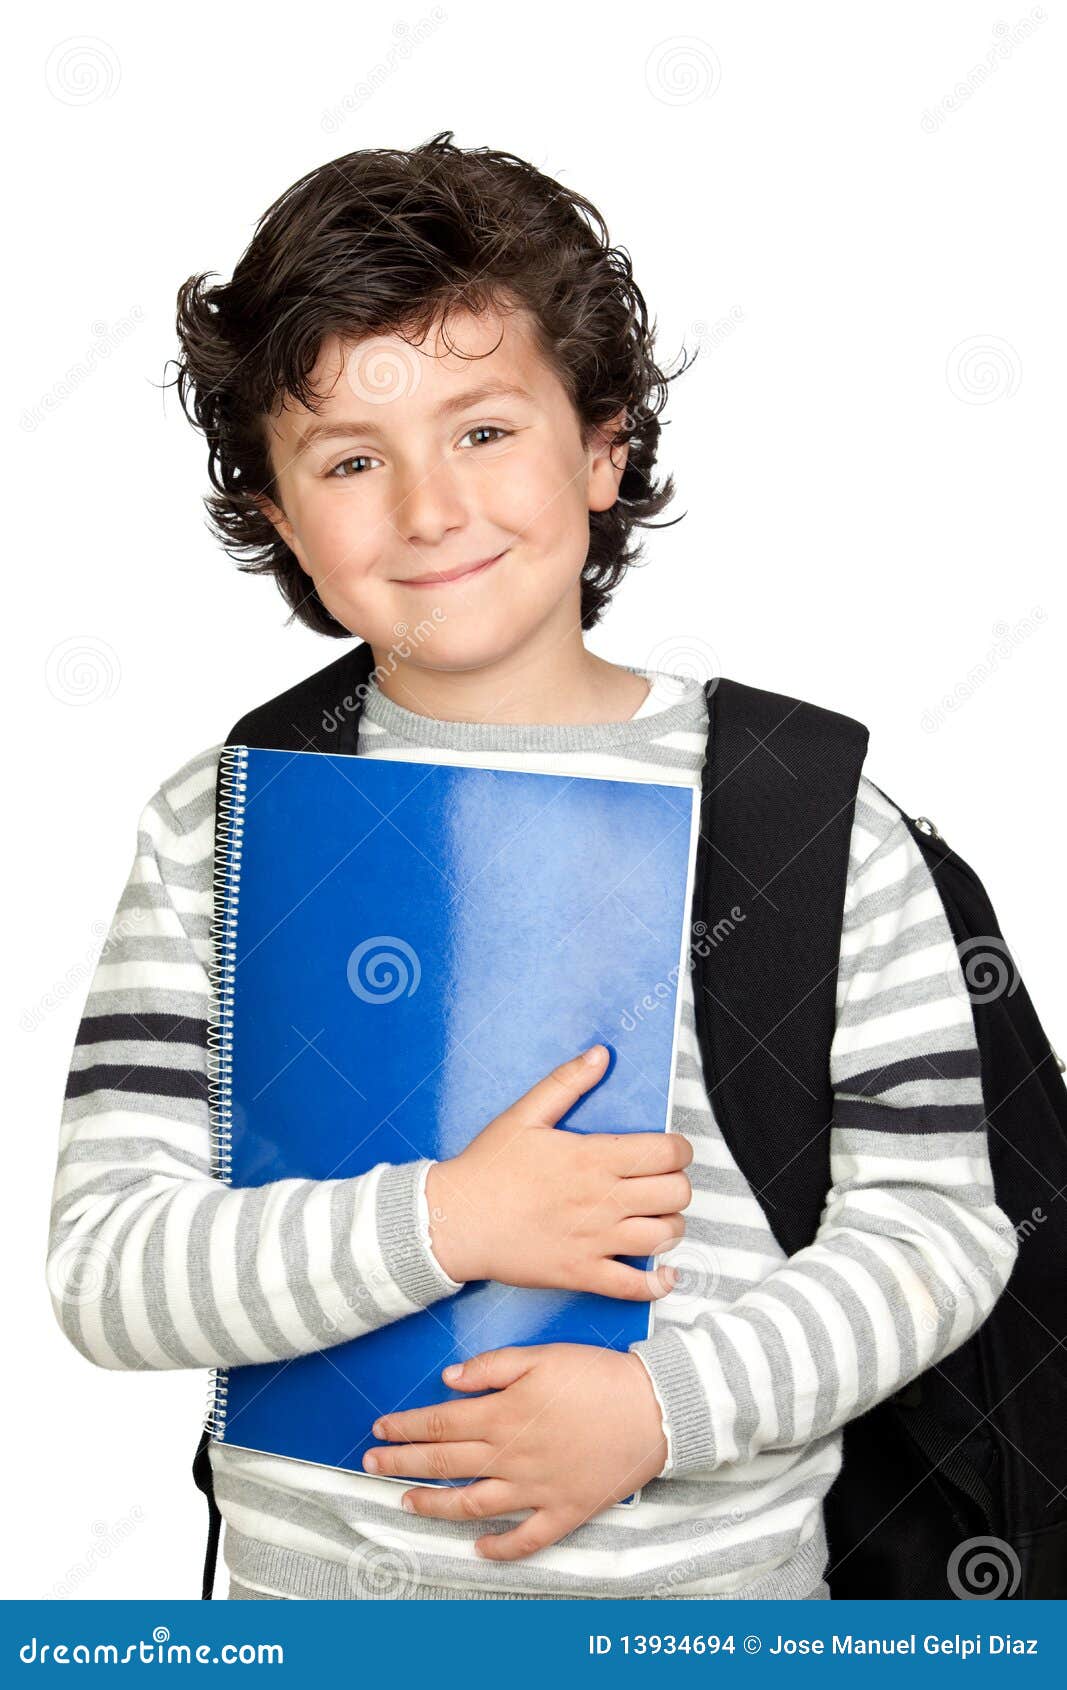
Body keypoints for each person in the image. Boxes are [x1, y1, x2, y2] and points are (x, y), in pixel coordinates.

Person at [46, 132, 1018, 1601]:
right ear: (277, 513)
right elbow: (111, 1267)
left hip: (711, 1623)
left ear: (605, 447)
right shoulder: (227, 827)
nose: (430, 508)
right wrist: (452, 1219)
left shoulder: (811, 820)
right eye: (352, 459)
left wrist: (656, 1410)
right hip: (319, 1630)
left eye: (485, 430)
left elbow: (939, 1227)